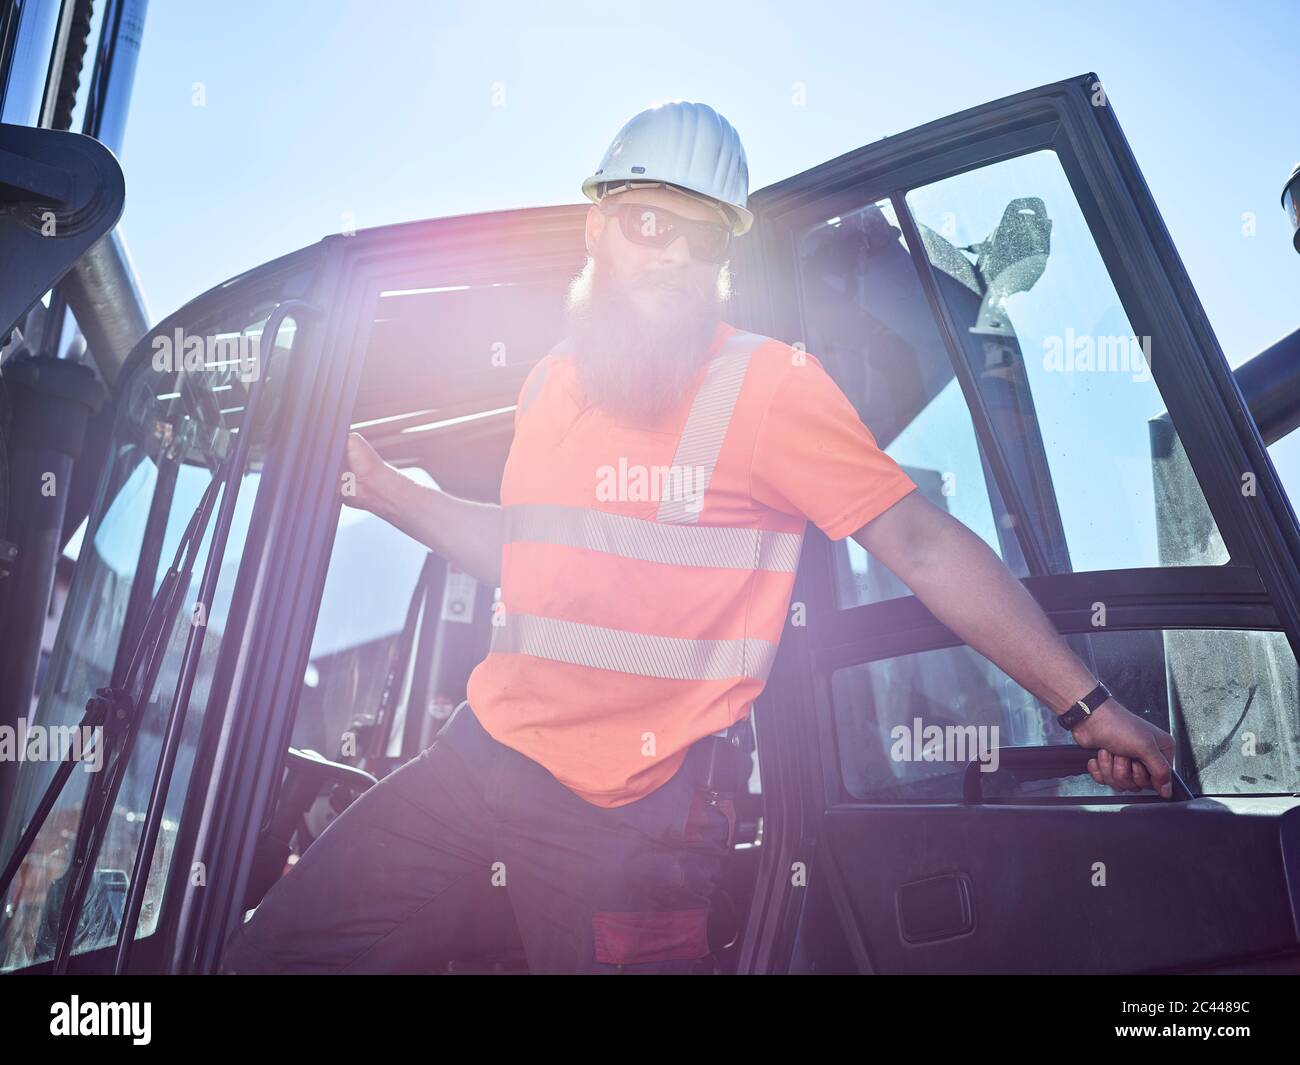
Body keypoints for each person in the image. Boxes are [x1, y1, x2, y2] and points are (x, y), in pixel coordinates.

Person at [220, 100, 1174, 975]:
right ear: (598, 226)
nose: (672, 256)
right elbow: (527, 550)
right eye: (647, 223)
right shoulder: (553, 382)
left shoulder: (769, 388)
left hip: (633, 811)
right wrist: (386, 492)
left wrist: (1087, 706)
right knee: (272, 959)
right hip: (483, 756)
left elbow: (920, 542)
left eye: (701, 237)